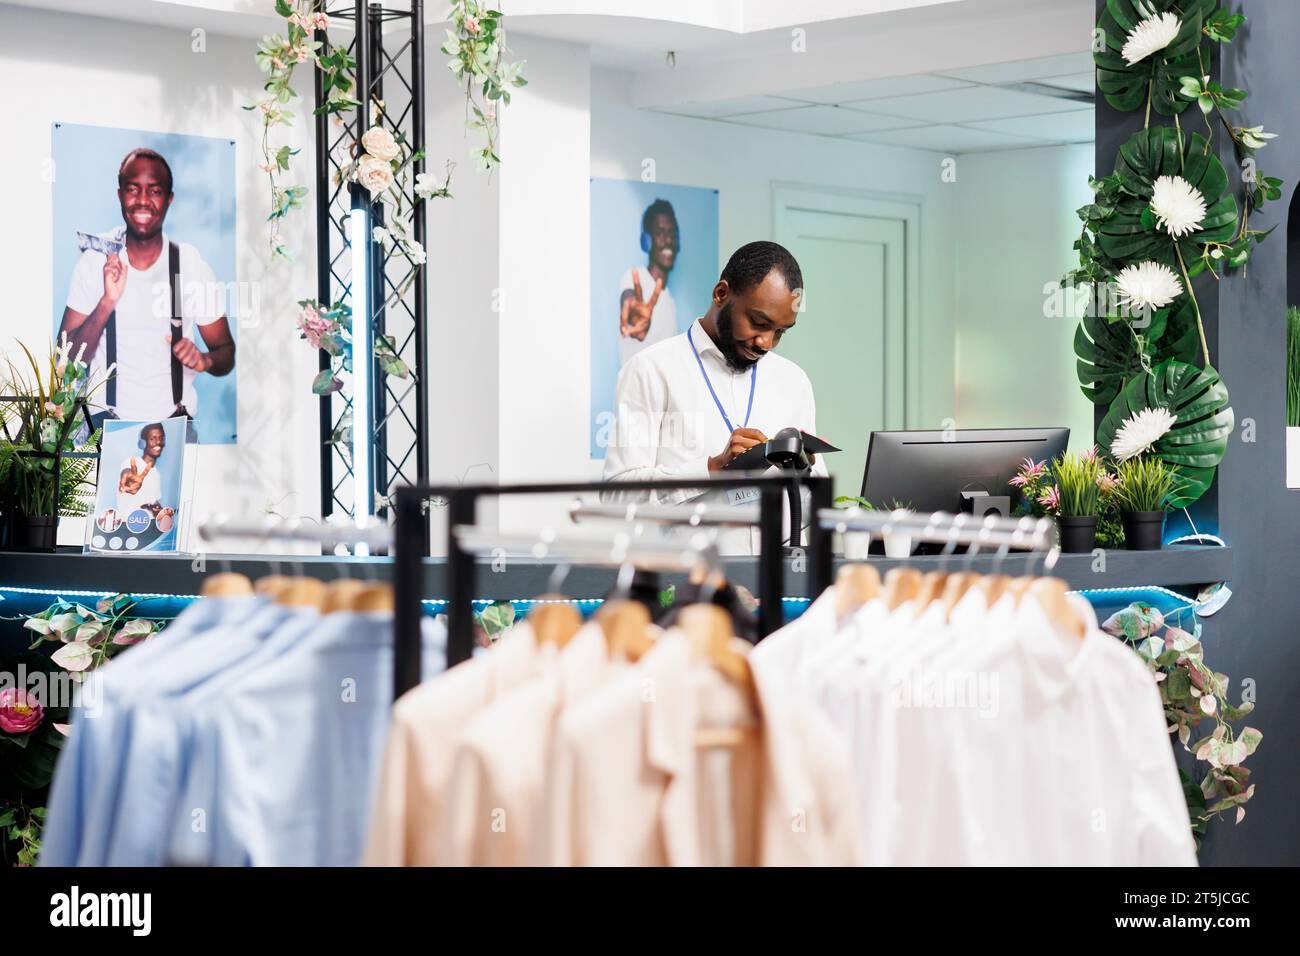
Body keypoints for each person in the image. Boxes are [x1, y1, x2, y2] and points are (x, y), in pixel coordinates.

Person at [603, 240, 826, 550]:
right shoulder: (652, 369)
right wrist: (711, 469)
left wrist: (801, 475)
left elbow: (813, 508)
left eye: (780, 331)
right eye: (759, 323)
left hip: (773, 580)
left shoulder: (793, 381)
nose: (767, 342)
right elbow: (616, 496)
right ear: (721, 294)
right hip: (687, 584)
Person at [59, 147, 235, 431]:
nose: (142, 201)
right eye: (133, 189)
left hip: (174, 426)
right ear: (119, 194)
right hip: (105, 426)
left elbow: (226, 352)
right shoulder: (95, 260)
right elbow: (65, 358)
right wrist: (106, 303)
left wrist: (205, 359)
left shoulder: (190, 264)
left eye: (154, 191)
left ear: (169, 199)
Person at [617, 199, 680, 365]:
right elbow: (628, 297)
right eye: (660, 233)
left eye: (672, 234)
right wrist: (632, 311)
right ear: (646, 241)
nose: (668, 241)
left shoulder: (670, 301)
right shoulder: (633, 277)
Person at [117, 422, 166, 515]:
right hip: (128, 523)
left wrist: (160, 510)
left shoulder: (156, 473)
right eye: (153, 438)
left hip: (149, 524)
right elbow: (127, 472)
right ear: (142, 443)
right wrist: (128, 480)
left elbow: (152, 502)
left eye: (161, 438)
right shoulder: (132, 462)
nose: (158, 442)